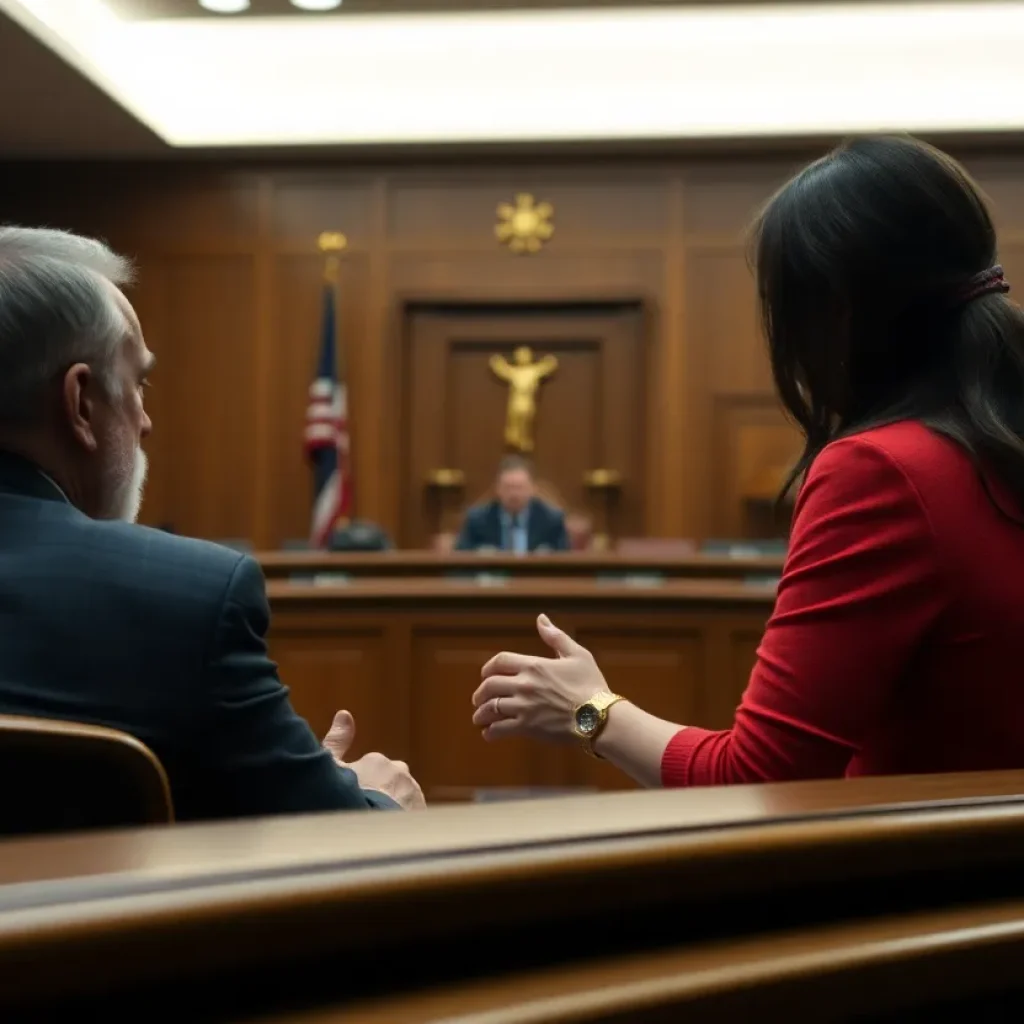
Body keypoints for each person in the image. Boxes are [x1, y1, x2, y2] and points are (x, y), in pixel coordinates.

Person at [473, 135, 1024, 786]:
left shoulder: (884, 474)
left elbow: (759, 779)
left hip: (937, 878)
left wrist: (590, 710)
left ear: (833, 313)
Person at [0, 226, 423, 819]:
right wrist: (381, 801)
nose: (145, 421)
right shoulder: (179, 603)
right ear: (80, 402)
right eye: (139, 383)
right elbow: (338, 841)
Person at [455, 455, 570, 553]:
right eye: (508, 488)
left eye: (519, 488)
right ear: (498, 489)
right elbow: (459, 563)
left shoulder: (552, 520)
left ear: (533, 489)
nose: (514, 495)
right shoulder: (477, 520)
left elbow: (566, 565)